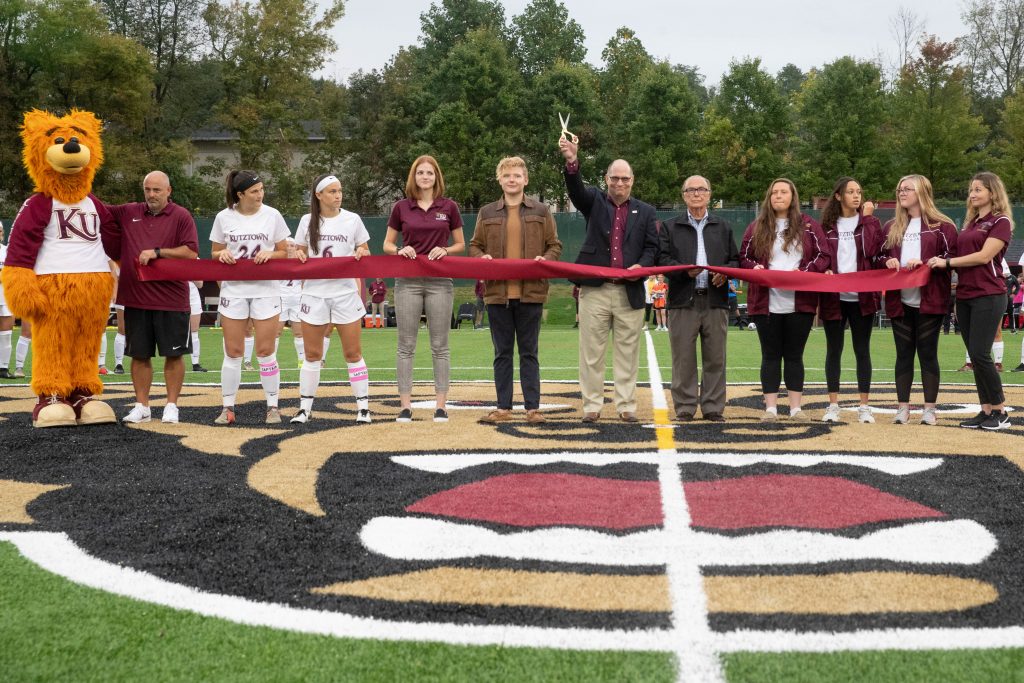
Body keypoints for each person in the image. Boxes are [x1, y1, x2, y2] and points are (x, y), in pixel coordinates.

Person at [558, 137, 658, 423]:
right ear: (606, 179)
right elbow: (575, 190)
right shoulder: (594, 201)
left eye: (625, 179)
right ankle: (591, 405)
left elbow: (652, 247)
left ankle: (626, 405)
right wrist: (571, 161)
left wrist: (643, 264)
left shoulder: (646, 211)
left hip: (630, 291)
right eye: (615, 178)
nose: (620, 183)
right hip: (595, 289)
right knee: (591, 352)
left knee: (627, 352)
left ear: (632, 180)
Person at [470, 156, 562, 425]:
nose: (512, 180)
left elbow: (554, 245)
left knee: (529, 352)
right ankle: (503, 407)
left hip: (531, 293)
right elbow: (475, 246)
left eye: (517, 175)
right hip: (497, 294)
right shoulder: (486, 213)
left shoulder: (542, 211)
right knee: (502, 353)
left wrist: (547, 261)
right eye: (507, 175)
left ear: (526, 180)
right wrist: (481, 259)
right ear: (500, 179)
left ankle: (533, 408)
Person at [103, 171, 199, 424]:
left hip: (172, 297)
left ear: (169, 191)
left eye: (157, 190)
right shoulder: (128, 211)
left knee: (174, 355)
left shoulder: (181, 215)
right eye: (148, 189)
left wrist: (158, 252)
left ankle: (171, 406)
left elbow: (190, 252)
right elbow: (98, 210)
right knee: (139, 355)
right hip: (136, 297)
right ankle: (142, 405)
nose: (152, 195)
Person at [927, 171, 1012, 430]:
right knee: (976, 357)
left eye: (978, 189)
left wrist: (947, 262)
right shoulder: (970, 223)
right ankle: (985, 410)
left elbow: (984, 256)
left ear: (992, 192)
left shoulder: (1001, 221)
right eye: (971, 190)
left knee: (979, 353)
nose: (973, 194)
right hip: (965, 296)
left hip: (989, 294)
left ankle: (1000, 410)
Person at [383, 155, 465, 423]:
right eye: (421, 173)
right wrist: (399, 249)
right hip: (408, 281)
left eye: (430, 173)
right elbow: (387, 244)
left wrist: (446, 249)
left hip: (440, 282)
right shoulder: (401, 207)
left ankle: (441, 406)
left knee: (440, 345)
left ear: (436, 177)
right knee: (405, 345)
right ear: (414, 177)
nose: (425, 177)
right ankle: (405, 405)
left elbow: (460, 244)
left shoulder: (449, 206)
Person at [740, 178, 830, 422]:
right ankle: (770, 409)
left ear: (793, 196)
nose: (778, 196)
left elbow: (824, 256)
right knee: (769, 354)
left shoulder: (809, 226)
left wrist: (805, 273)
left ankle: (795, 409)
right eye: (774, 192)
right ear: (769, 198)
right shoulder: (757, 226)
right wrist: (755, 267)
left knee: (794, 355)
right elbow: (744, 257)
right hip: (765, 302)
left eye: (783, 192)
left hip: (799, 302)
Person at [210, 170, 290, 425]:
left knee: (265, 350)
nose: (260, 195)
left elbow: (284, 251)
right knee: (233, 351)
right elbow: (215, 252)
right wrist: (221, 255)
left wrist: (270, 254)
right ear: (240, 194)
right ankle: (228, 407)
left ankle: (273, 406)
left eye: (262, 190)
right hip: (234, 291)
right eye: (255, 191)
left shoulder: (272, 214)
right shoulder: (224, 217)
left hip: (266, 290)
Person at [290, 174, 372, 424]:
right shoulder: (307, 221)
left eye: (340, 191)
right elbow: (299, 253)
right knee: (312, 354)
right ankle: (304, 408)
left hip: (345, 293)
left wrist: (361, 251)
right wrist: (298, 255)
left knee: (353, 352)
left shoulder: (352, 219)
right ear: (319, 195)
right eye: (332, 191)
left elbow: (365, 250)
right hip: (315, 294)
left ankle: (363, 408)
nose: (338, 195)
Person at [657, 175, 739, 422]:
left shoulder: (723, 226)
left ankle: (713, 407)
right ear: (683, 195)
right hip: (683, 300)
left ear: (710, 194)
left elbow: (734, 261)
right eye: (691, 190)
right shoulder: (670, 226)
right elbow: (662, 260)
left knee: (716, 357)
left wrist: (723, 275)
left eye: (701, 189)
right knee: (683, 358)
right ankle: (685, 407)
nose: (696, 193)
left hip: (716, 300)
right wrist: (684, 270)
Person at [880, 174, 957, 426]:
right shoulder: (891, 226)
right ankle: (902, 408)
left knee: (927, 353)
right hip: (899, 300)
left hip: (930, 299)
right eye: (900, 189)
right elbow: (876, 258)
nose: (902, 193)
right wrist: (887, 261)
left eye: (908, 189)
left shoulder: (942, 226)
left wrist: (926, 264)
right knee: (903, 354)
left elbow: (950, 258)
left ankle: (929, 409)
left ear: (922, 192)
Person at [818, 177, 885, 424]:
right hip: (834, 297)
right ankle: (833, 405)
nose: (857, 196)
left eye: (859, 192)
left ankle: (864, 406)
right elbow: (821, 256)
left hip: (863, 297)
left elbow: (871, 251)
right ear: (838, 196)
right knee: (833, 350)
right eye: (850, 192)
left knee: (862, 350)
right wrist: (823, 270)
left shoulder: (870, 223)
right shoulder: (825, 226)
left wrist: (866, 217)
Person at [0, 219, 11, 379]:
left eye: (1, 231)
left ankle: (3, 367)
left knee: (7, 332)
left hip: (5, 294)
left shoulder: (7, 250)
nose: (1, 234)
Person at [187, 280, 207, 371]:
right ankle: (172, 360)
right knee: (173, 330)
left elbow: (200, 284)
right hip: (175, 295)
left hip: (193, 297)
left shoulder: (195, 265)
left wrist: (189, 274)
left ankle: (195, 363)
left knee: (194, 331)